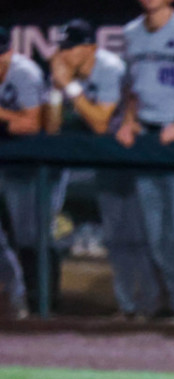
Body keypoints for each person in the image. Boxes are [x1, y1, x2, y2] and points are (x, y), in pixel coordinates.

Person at [48, 18, 159, 321]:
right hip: (108, 162)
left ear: (91, 48)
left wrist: (70, 87)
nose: (65, 53)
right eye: (62, 47)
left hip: (136, 157)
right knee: (116, 237)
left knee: (140, 236)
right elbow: (53, 127)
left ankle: (152, 304)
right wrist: (59, 89)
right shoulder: (65, 74)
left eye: (71, 47)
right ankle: (128, 306)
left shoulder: (109, 68)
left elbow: (99, 123)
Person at [117, 0, 174, 322]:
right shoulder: (130, 32)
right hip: (147, 137)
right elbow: (130, 85)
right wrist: (128, 119)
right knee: (157, 237)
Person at [0, 25, 40, 319]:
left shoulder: (25, 73)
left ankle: (40, 304)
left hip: (28, 165)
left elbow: (31, 124)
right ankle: (15, 301)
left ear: (9, 52)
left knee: (28, 237)